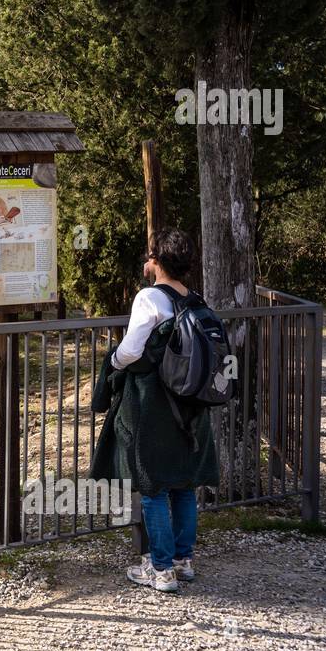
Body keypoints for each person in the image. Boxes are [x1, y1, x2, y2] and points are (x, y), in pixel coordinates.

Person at [89, 227, 219, 593]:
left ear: (158, 262)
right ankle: (183, 560)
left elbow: (131, 350)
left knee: (152, 486)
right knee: (183, 484)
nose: (147, 261)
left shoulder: (149, 299)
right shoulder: (196, 300)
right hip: (192, 405)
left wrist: (112, 361)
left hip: (156, 405)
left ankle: (160, 570)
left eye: (150, 256)